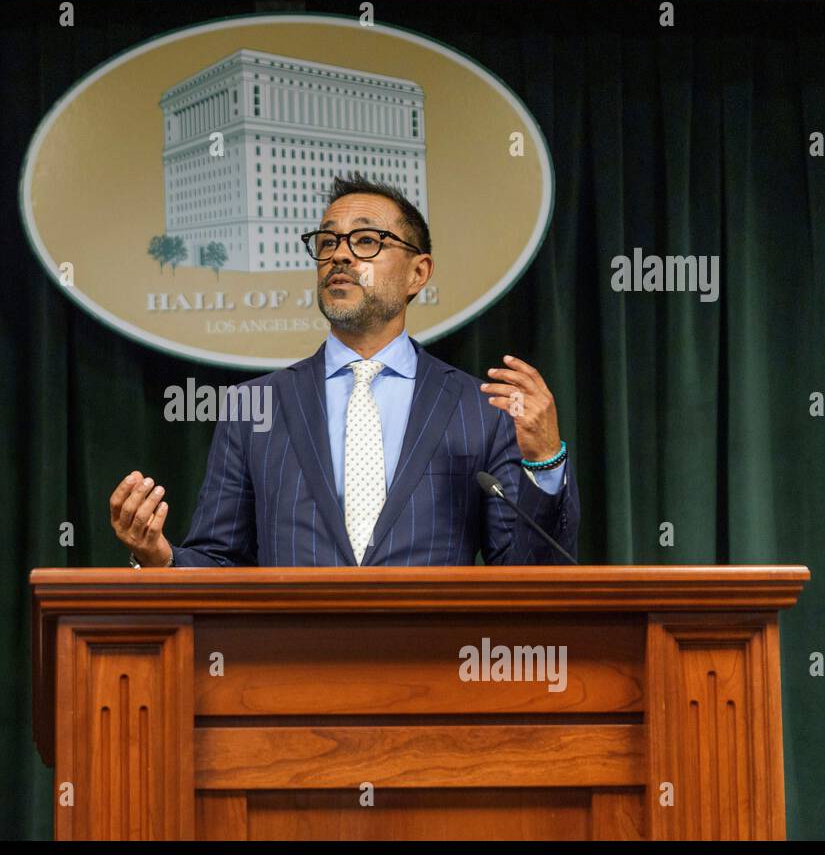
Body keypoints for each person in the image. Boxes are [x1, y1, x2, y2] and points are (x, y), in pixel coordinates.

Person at [111, 173, 578, 567]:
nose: (339, 255)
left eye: (367, 241)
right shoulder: (253, 409)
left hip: (431, 666)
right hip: (293, 666)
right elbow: (220, 562)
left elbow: (526, 573)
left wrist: (546, 462)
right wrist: (161, 557)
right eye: (328, 241)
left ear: (419, 272)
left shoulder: (481, 410)